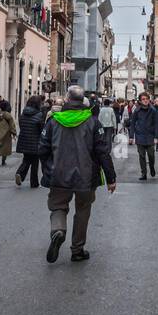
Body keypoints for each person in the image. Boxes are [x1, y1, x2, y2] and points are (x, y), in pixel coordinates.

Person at [39, 86, 117, 263]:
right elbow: (102, 152)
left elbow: (42, 149)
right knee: (83, 211)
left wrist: (49, 169)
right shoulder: (93, 122)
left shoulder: (54, 121)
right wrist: (111, 178)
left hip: (58, 174)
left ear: (67, 99)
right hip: (86, 175)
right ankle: (77, 249)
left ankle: (58, 230)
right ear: (83, 101)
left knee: (58, 206)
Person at [130, 92, 158, 180]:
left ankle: (152, 167)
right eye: (143, 99)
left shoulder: (153, 110)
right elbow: (132, 124)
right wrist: (131, 136)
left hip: (150, 136)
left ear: (149, 100)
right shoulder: (136, 110)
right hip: (140, 135)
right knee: (142, 156)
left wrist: (156, 137)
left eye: (146, 99)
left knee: (151, 155)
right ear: (140, 101)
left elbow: (156, 125)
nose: (145, 101)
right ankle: (143, 173)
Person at [15, 95, 45, 187]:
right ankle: (34, 182)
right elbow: (41, 129)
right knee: (35, 162)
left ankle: (20, 173)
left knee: (26, 159)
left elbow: (21, 125)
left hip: (24, 140)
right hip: (35, 141)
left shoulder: (23, 113)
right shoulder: (39, 115)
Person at [0, 98, 17, 167]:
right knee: (5, 148)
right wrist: (14, 133)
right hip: (6, 134)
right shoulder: (8, 115)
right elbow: (12, 125)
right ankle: (3, 161)